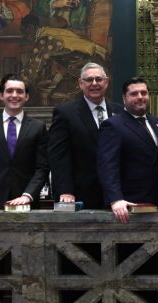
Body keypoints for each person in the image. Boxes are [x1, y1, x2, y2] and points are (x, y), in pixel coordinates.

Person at [48, 63, 124, 209]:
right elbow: (58, 156)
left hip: (117, 194)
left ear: (106, 82)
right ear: (80, 84)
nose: (94, 83)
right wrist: (65, 190)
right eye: (89, 80)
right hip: (80, 193)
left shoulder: (120, 112)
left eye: (98, 79)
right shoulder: (65, 113)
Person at [0, 75, 49, 210]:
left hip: (26, 202)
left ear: (27, 96)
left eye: (19, 91)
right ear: (1, 95)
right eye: (9, 91)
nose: (14, 95)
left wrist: (28, 195)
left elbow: (42, 168)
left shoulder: (38, 127)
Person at [98, 77, 158, 222]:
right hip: (130, 205)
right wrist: (115, 199)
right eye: (134, 94)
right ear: (124, 98)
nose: (140, 97)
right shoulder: (113, 125)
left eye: (144, 93)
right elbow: (107, 165)